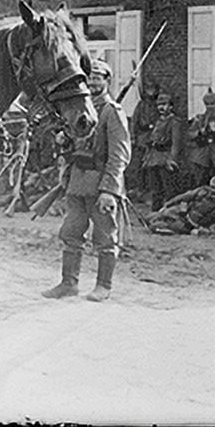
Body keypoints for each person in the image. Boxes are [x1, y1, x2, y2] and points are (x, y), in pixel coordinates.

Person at [41, 58, 131, 303]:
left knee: (104, 237)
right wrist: (64, 141)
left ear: (107, 81)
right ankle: (69, 283)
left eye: (97, 78)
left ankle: (104, 286)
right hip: (77, 182)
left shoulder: (113, 112)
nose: (92, 83)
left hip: (101, 184)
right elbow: (75, 146)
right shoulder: (81, 112)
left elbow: (120, 154)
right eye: (89, 78)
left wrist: (109, 191)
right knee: (70, 233)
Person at [146, 175, 215, 235]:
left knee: (155, 226)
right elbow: (185, 196)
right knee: (149, 218)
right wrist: (167, 205)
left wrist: (200, 231)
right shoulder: (203, 191)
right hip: (183, 214)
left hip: (189, 226)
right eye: (212, 187)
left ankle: (165, 227)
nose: (214, 191)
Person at [143, 92, 183, 211]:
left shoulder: (174, 122)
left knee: (169, 189)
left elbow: (176, 143)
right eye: (159, 105)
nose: (161, 107)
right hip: (154, 158)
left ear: (171, 107)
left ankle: (171, 214)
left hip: (165, 159)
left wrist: (172, 160)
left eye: (164, 104)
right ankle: (155, 214)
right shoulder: (158, 121)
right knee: (156, 189)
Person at [128, 82, 160, 200]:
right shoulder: (141, 106)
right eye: (148, 90)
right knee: (140, 167)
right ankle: (140, 189)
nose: (150, 92)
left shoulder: (158, 105)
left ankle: (151, 191)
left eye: (153, 90)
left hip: (154, 140)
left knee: (152, 168)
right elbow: (134, 122)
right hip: (142, 139)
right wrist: (133, 137)